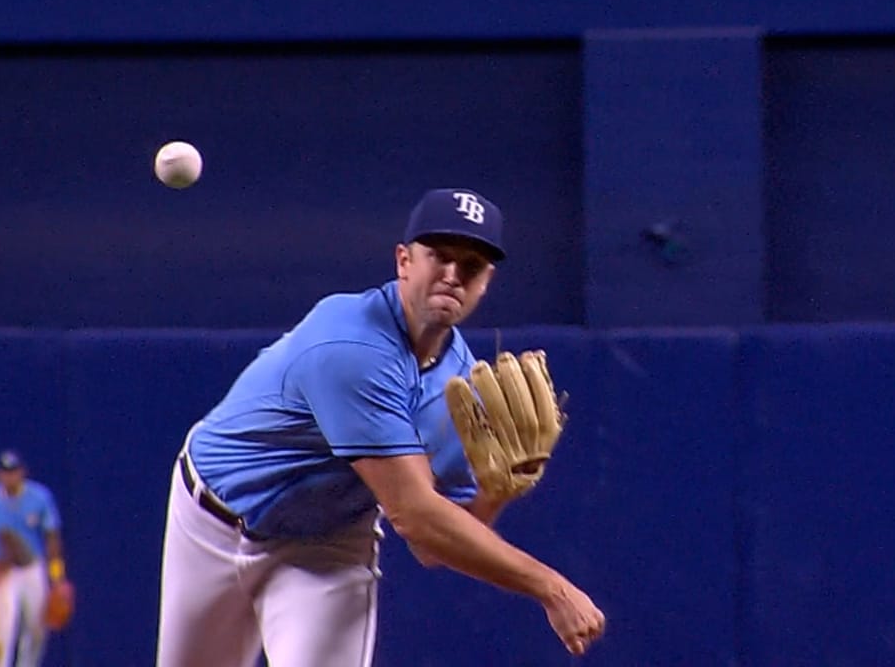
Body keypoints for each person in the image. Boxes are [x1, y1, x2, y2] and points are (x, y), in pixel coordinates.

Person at [155, 188, 606, 667]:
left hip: (325, 547)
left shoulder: (459, 388)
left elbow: (433, 547)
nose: (453, 275)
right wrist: (550, 587)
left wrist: (497, 492)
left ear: (485, 282)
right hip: (212, 519)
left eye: (471, 265)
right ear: (404, 260)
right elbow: (415, 515)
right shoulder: (351, 341)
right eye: (440, 256)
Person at [0, 449, 68, 667]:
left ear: (23, 472)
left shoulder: (39, 497)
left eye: (14, 471)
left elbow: (52, 539)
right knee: (4, 627)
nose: (10, 476)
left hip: (32, 567)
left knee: (38, 628)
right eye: (5, 472)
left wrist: (57, 577)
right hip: (1, 570)